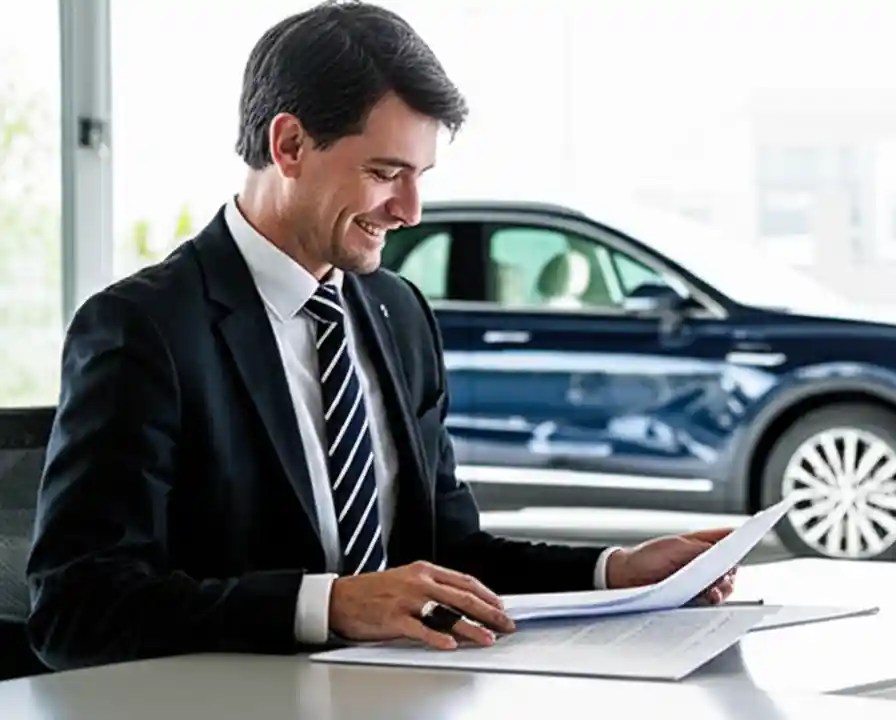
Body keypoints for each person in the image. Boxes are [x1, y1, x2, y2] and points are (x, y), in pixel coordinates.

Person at [26, 0, 735, 672]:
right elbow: (76, 608)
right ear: (291, 144)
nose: (412, 210)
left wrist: (613, 571)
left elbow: (450, 555)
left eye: (419, 176)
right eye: (385, 173)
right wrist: (328, 605)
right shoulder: (145, 328)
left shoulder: (398, 314)